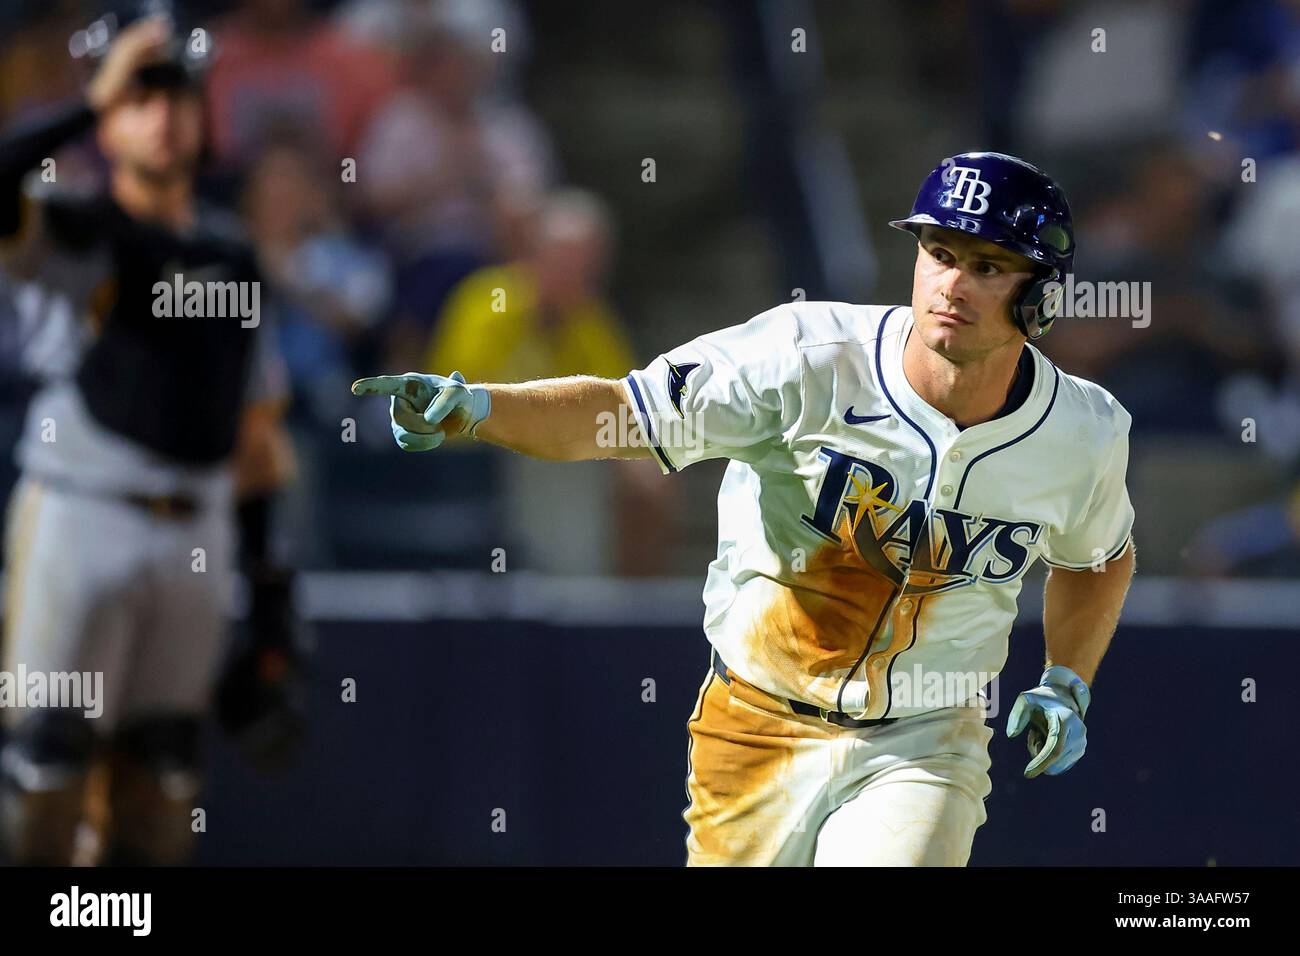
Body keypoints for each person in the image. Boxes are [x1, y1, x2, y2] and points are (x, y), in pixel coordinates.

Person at [352, 151, 1138, 866]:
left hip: (923, 741)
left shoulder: (1081, 433)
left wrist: (1067, 678)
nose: (953, 284)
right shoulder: (803, 357)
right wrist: (481, 406)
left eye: (989, 265)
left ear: (1040, 296)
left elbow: (1100, 555)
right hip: (753, 721)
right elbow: (623, 416)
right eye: (939, 253)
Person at [0, 12, 298, 865]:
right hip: (80, 513)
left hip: (196, 531)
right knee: (46, 766)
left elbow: (258, 437)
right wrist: (89, 100)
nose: (162, 116)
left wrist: (276, 619)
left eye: (176, 96)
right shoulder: (68, 231)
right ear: (107, 115)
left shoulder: (232, 256)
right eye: (139, 98)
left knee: (163, 777)